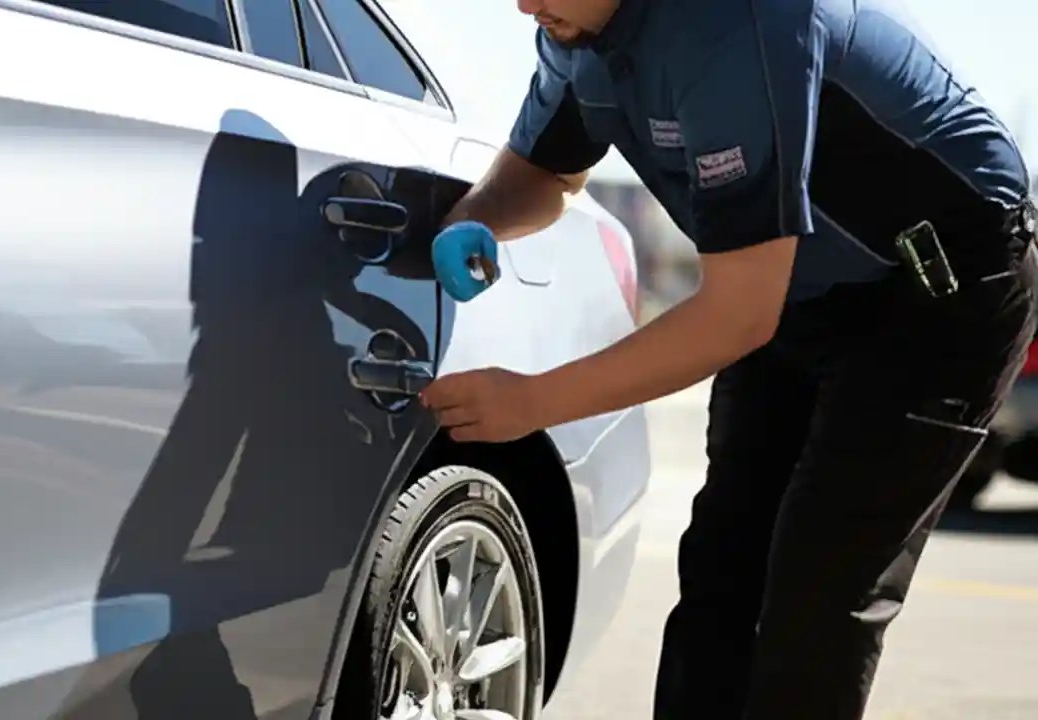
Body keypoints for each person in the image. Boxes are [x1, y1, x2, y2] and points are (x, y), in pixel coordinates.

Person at [419, 0, 1036, 718]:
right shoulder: (574, 26)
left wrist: (531, 404)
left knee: (816, 597)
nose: (523, 3)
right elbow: (546, 175)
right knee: (719, 581)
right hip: (799, 291)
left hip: (939, 288)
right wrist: (475, 219)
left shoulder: (735, 22)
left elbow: (737, 314)